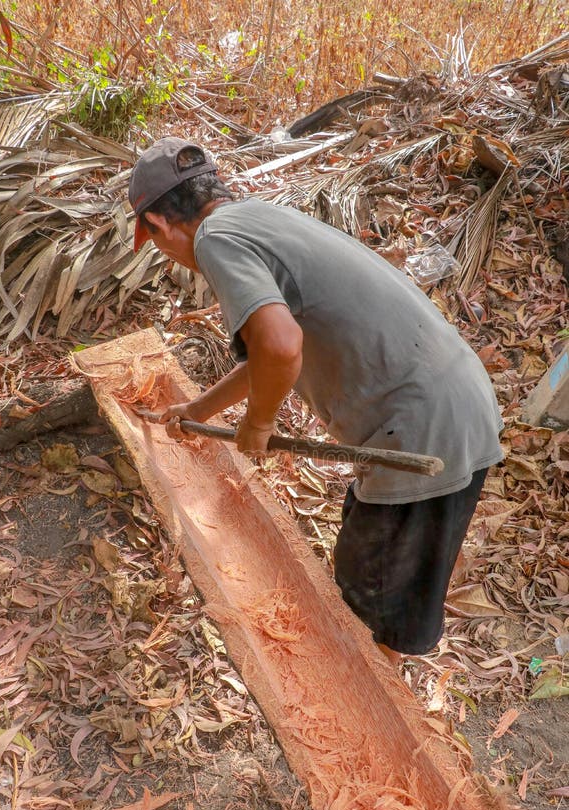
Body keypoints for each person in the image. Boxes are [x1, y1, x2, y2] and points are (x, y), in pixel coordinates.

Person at [128, 136, 504, 665]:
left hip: (422, 422)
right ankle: (383, 684)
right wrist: (198, 411)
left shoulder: (216, 239)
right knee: (384, 566)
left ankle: (376, 717)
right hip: (457, 402)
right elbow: (268, 352)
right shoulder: (255, 217)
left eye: (156, 242)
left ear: (159, 226)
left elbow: (281, 347)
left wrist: (259, 425)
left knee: (369, 589)